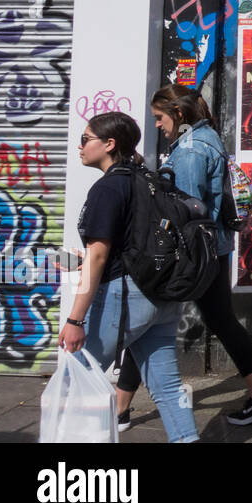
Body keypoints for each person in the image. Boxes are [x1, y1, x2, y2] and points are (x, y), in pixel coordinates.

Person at [115, 85, 252, 431]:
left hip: (190, 255)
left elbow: (184, 209)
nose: (157, 126)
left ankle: (120, 411)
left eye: (159, 118)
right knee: (220, 321)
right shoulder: (206, 139)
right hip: (212, 251)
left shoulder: (190, 150)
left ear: (177, 113)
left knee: (148, 318)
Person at [58, 112, 199, 443]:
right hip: (161, 296)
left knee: (75, 383)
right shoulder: (146, 179)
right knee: (167, 389)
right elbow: (130, 242)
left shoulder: (108, 189)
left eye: (85, 139)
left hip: (126, 298)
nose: (79, 147)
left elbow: (99, 255)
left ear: (109, 144)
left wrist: (75, 319)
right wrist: (89, 259)